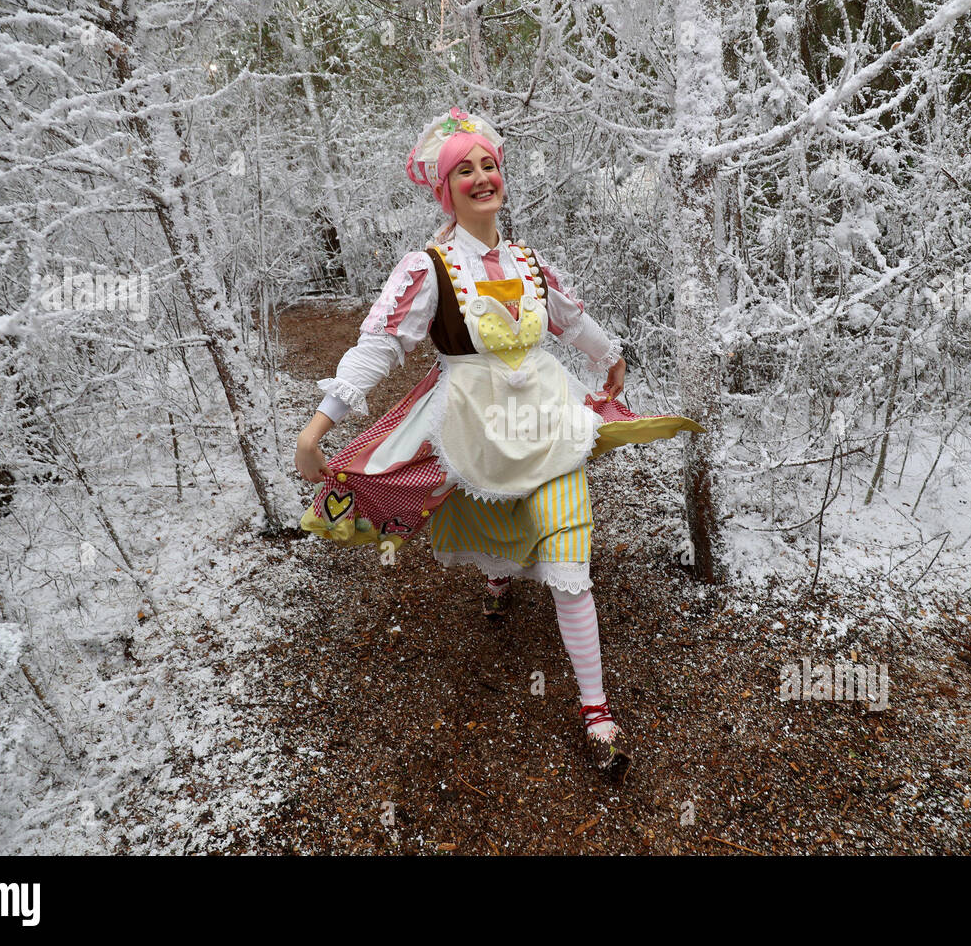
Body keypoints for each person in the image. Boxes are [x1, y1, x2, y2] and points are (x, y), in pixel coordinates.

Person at [294, 105, 703, 780]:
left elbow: (571, 321)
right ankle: (497, 575)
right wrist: (321, 422)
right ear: (445, 189)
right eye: (466, 170)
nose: (482, 177)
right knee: (490, 516)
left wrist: (611, 356)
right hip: (473, 427)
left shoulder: (530, 263)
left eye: (489, 164)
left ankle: (597, 712)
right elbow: (379, 344)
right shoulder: (427, 269)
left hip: (549, 418)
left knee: (570, 560)